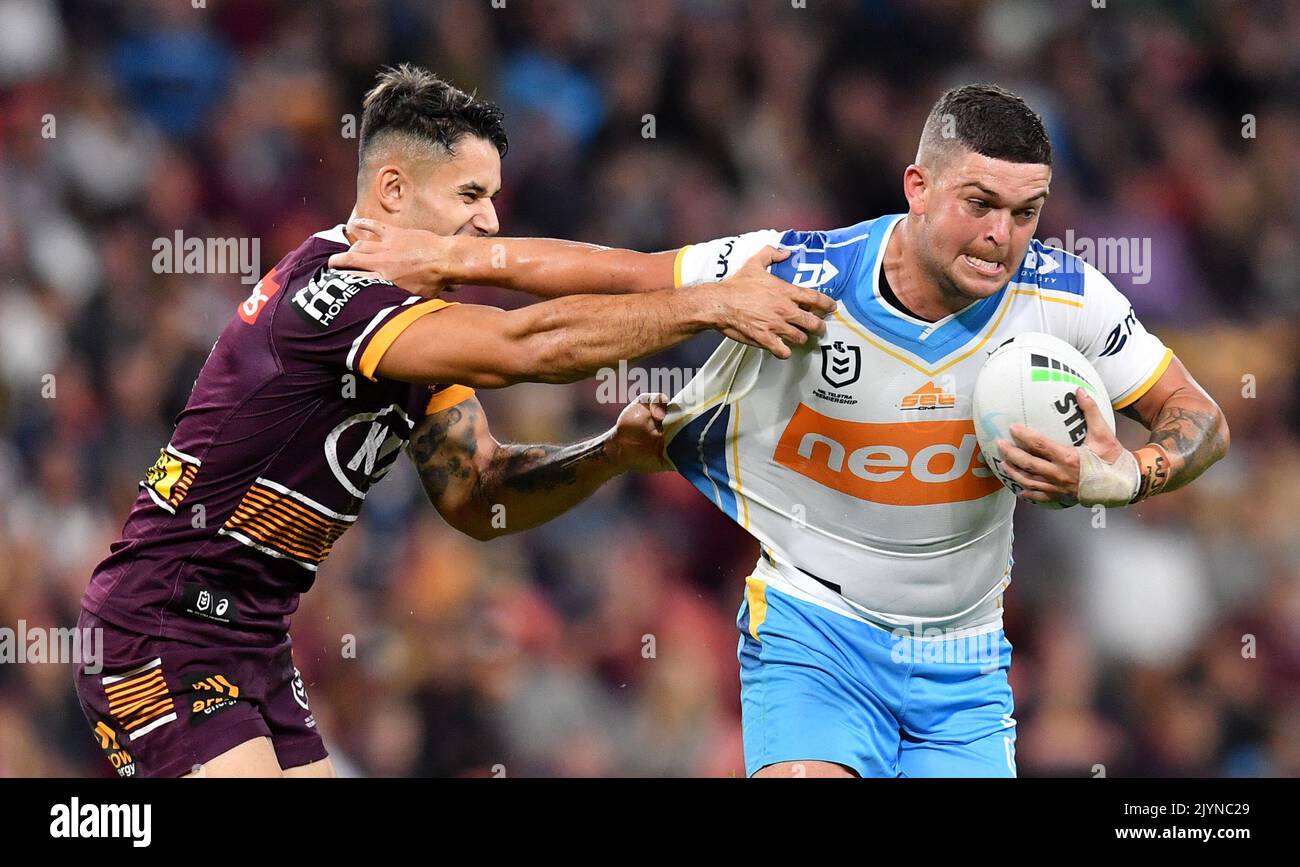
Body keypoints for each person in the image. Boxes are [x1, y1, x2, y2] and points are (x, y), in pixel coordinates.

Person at [331, 84, 1230, 778]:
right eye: (978, 203)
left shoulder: (1066, 300)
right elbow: (628, 274)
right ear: (917, 186)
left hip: (965, 662)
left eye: (1025, 212)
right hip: (814, 630)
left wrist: (1128, 476)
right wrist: (448, 256)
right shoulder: (802, 274)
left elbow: (1200, 420)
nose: (1002, 237)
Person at [73, 65, 833, 778]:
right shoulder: (338, 294)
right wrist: (707, 305)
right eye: (471, 194)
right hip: (161, 627)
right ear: (394, 189)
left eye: (493, 196)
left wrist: (611, 452)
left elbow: (477, 490)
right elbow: (525, 345)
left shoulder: (410, 328)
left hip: (251, 639)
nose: (490, 219)